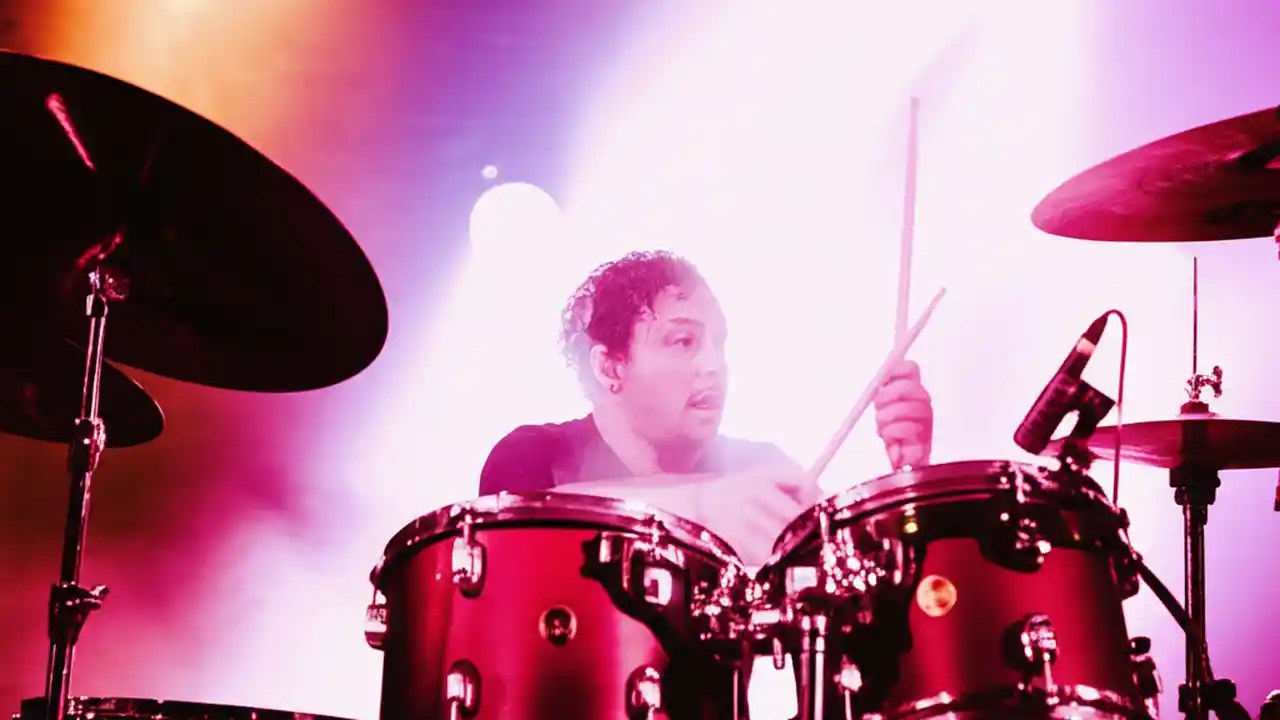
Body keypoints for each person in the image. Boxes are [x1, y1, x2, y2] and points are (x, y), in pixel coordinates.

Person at [478, 250, 934, 565]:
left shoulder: (761, 470)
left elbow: (859, 619)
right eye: (684, 341)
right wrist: (698, 508)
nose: (714, 365)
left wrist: (907, 483)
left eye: (720, 343)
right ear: (611, 366)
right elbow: (528, 527)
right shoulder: (535, 458)